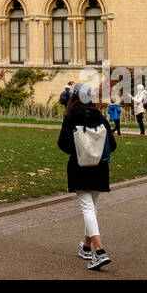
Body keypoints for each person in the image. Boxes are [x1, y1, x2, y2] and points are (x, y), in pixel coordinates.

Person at [57, 83, 116, 270]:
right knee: (92, 207)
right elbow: (112, 145)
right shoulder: (100, 116)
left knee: (87, 207)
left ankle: (99, 251)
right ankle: (86, 247)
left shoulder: (71, 116)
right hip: (100, 167)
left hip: (80, 166)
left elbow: (62, 143)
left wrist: (80, 151)